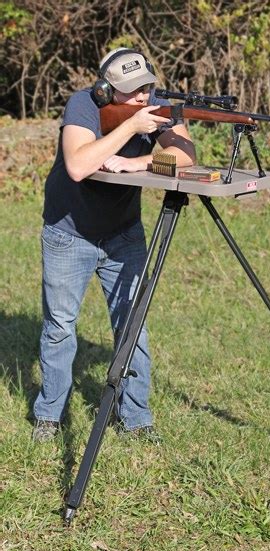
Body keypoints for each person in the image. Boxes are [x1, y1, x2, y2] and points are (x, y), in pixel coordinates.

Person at [32, 47, 196, 442]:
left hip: (124, 233)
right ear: (106, 91)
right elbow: (77, 165)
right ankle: (49, 416)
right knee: (60, 328)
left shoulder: (152, 107)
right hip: (68, 233)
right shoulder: (83, 106)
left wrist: (138, 163)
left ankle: (136, 419)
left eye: (147, 87)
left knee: (133, 327)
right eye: (131, 91)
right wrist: (129, 129)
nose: (142, 97)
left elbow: (185, 156)